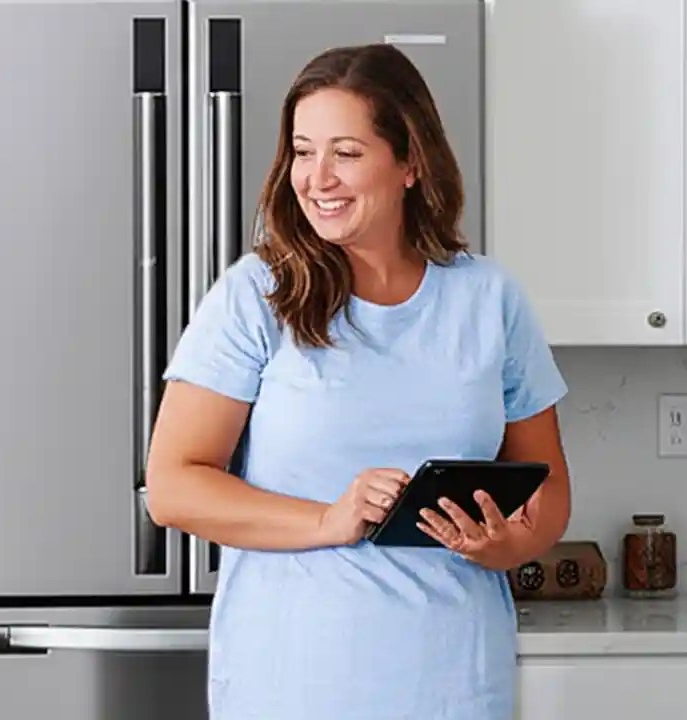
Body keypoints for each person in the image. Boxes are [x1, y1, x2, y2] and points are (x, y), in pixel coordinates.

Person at [144, 43, 572, 719]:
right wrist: (328, 519)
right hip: (293, 683)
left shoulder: (490, 300)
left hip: (456, 684)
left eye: (345, 153)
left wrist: (508, 543)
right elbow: (172, 486)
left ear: (409, 163)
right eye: (302, 151)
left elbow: (545, 488)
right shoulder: (256, 297)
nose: (317, 178)